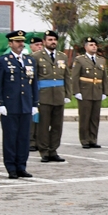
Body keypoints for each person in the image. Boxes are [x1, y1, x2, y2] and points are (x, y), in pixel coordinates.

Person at [0, 30, 39, 179]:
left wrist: (34, 103)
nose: (21, 44)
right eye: (17, 41)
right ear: (10, 43)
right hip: (10, 106)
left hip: (25, 105)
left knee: (24, 138)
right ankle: (11, 167)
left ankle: (21, 166)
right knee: (10, 138)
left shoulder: (30, 61)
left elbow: (33, 84)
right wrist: (0, 103)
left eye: (22, 41)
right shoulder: (3, 60)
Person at [32, 30, 71, 163]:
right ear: (44, 42)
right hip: (43, 96)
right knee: (43, 125)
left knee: (57, 125)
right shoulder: (36, 56)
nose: (53, 42)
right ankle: (44, 151)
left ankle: (53, 150)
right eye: (50, 40)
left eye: (54, 40)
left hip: (59, 95)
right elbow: (33, 77)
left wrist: (67, 93)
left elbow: (66, 76)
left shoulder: (62, 56)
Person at [72, 36, 108, 149]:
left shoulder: (101, 60)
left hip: (97, 91)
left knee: (95, 117)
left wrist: (105, 92)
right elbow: (75, 76)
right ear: (86, 47)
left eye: (95, 45)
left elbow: (105, 77)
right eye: (91, 45)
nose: (94, 47)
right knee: (85, 117)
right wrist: (76, 91)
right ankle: (85, 140)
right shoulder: (80, 60)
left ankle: (93, 139)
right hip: (85, 92)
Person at [28, 36, 44, 152]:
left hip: (43, 92)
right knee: (32, 118)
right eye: (36, 45)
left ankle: (39, 140)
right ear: (31, 47)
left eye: (40, 45)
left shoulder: (43, 58)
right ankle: (30, 141)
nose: (39, 47)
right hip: (31, 91)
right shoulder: (28, 59)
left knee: (41, 117)